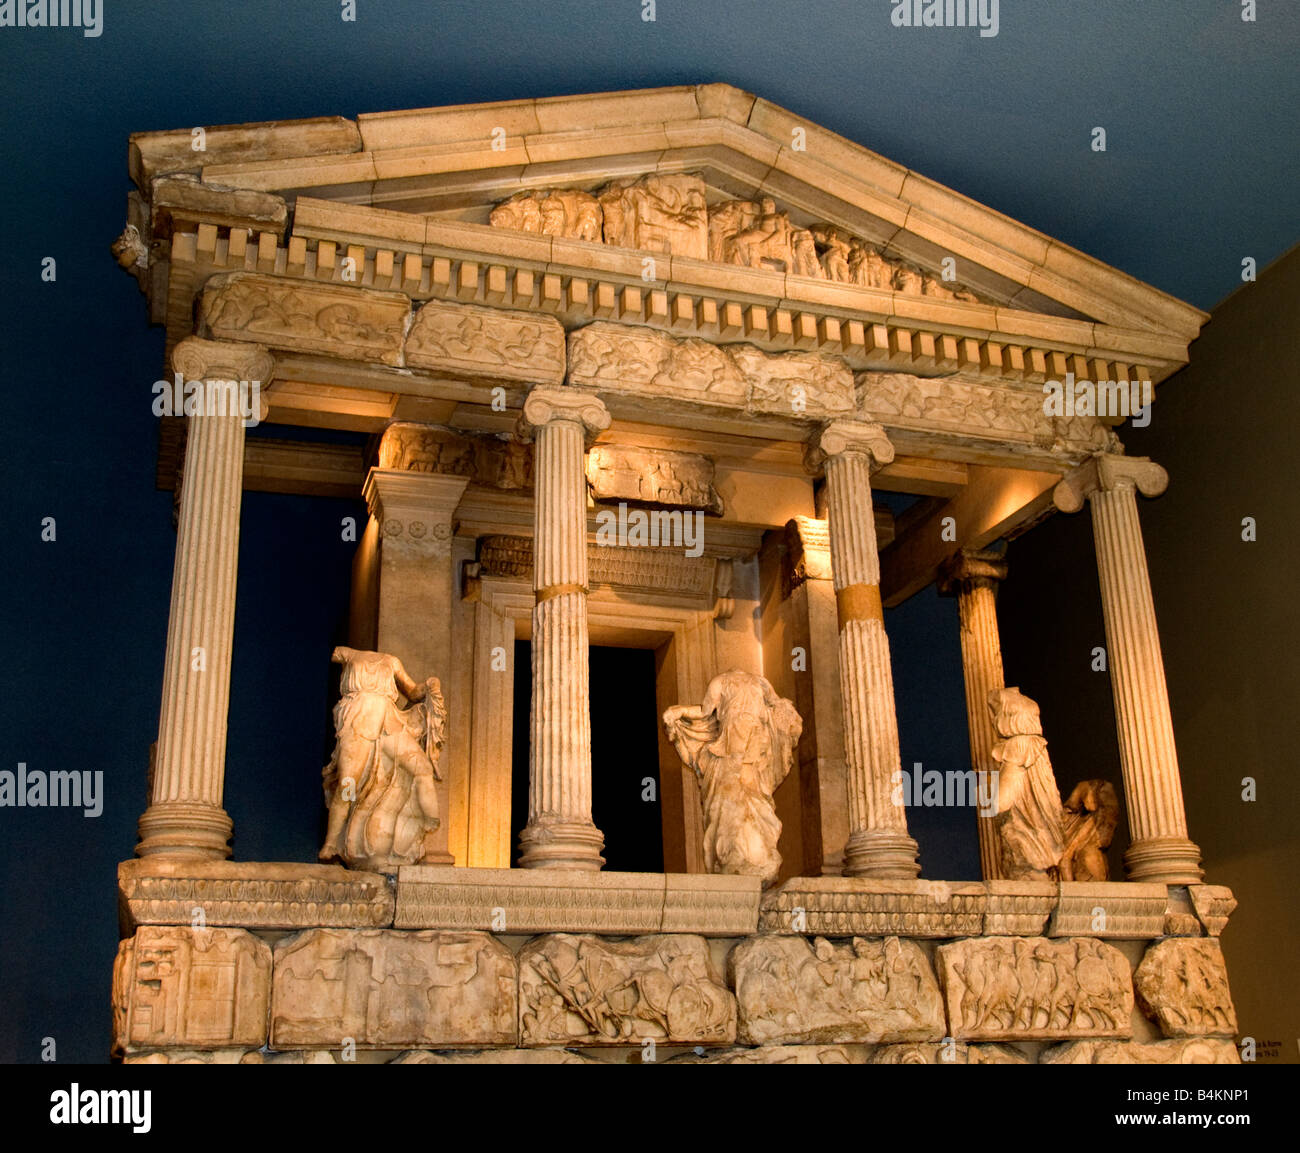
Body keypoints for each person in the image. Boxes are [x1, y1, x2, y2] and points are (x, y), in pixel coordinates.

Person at [320, 646, 444, 872]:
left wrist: (428, 686)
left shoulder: (391, 661)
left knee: (420, 766)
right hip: (358, 717)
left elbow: (413, 692)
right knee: (349, 783)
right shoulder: (345, 653)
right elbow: (330, 654)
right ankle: (331, 842)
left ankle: (426, 820)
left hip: (388, 719)